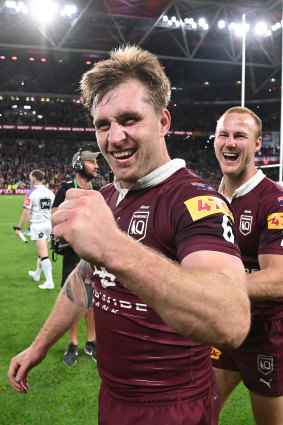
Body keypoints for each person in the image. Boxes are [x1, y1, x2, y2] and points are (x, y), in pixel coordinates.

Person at [8, 46, 251, 425]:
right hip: (114, 395)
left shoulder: (196, 199)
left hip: (174, 406)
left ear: (163, 121)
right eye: (103, 125)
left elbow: (231, 322)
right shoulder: (107, 196)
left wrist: (115, 247)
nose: (115, 136)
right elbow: (88, 278)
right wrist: (39, 345)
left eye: (129, 119)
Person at [212, 106, 283, 425]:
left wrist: (206, 288)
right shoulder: (208, 199)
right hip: (223, 325)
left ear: (256, 144)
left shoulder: (274, 200)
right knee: (201, 411)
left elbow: (278, 280)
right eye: (223, 135)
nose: (229, 142)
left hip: (265, 332)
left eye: (239, 136)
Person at [52, 150, 99, 365]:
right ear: (79, 164)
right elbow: (54, 216)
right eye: (91, 161)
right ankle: (72, 344)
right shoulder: (66, 189)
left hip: (94, 253)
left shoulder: (98, 190)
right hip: (72, 253)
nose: (96, 165)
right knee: (74, 299)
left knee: (92, 299)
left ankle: (92, 342)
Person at [14, 169, 55, 290]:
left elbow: (26, 212)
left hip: (38, 226)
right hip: (49, 225)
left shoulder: (31, 193)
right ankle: (37, 274)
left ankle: (49, 282)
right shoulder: (51, 193)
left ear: (32, 180)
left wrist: (19, 228)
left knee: (43, 254)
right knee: (41, 251)